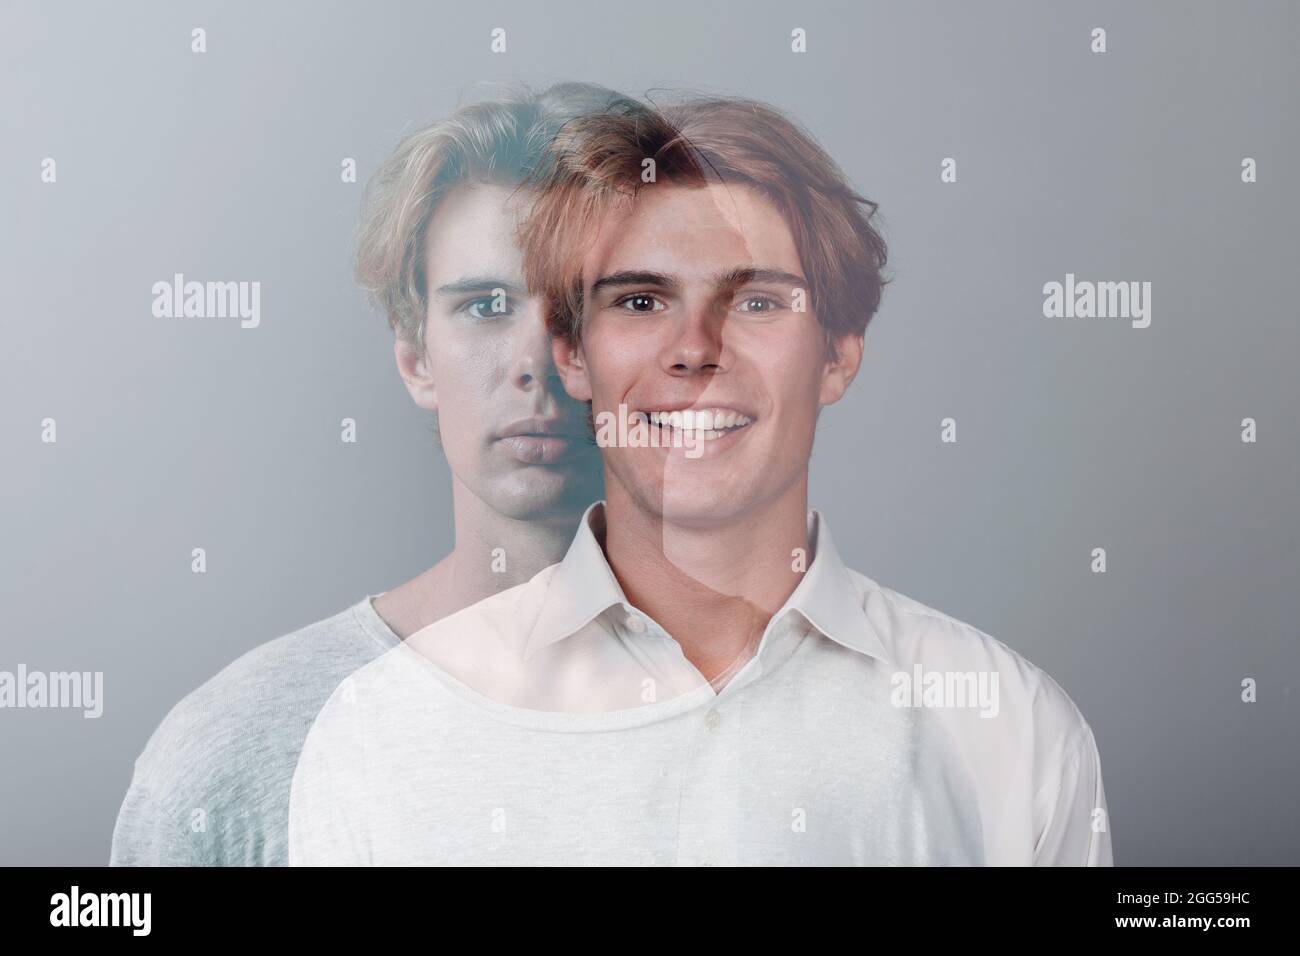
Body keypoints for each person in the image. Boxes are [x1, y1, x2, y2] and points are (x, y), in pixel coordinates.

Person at [288, 95, 1112, 866]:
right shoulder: (386, 731)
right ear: (574, 356)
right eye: (641, 302)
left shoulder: (1010, 728)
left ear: (838, 353)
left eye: (756, 301)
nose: (694, 348)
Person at [108, 83, 622, 866]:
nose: (537, 363)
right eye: (485, 306)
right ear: (416, 357)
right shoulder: (238, 756)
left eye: (594, 306)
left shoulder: (814, 720)